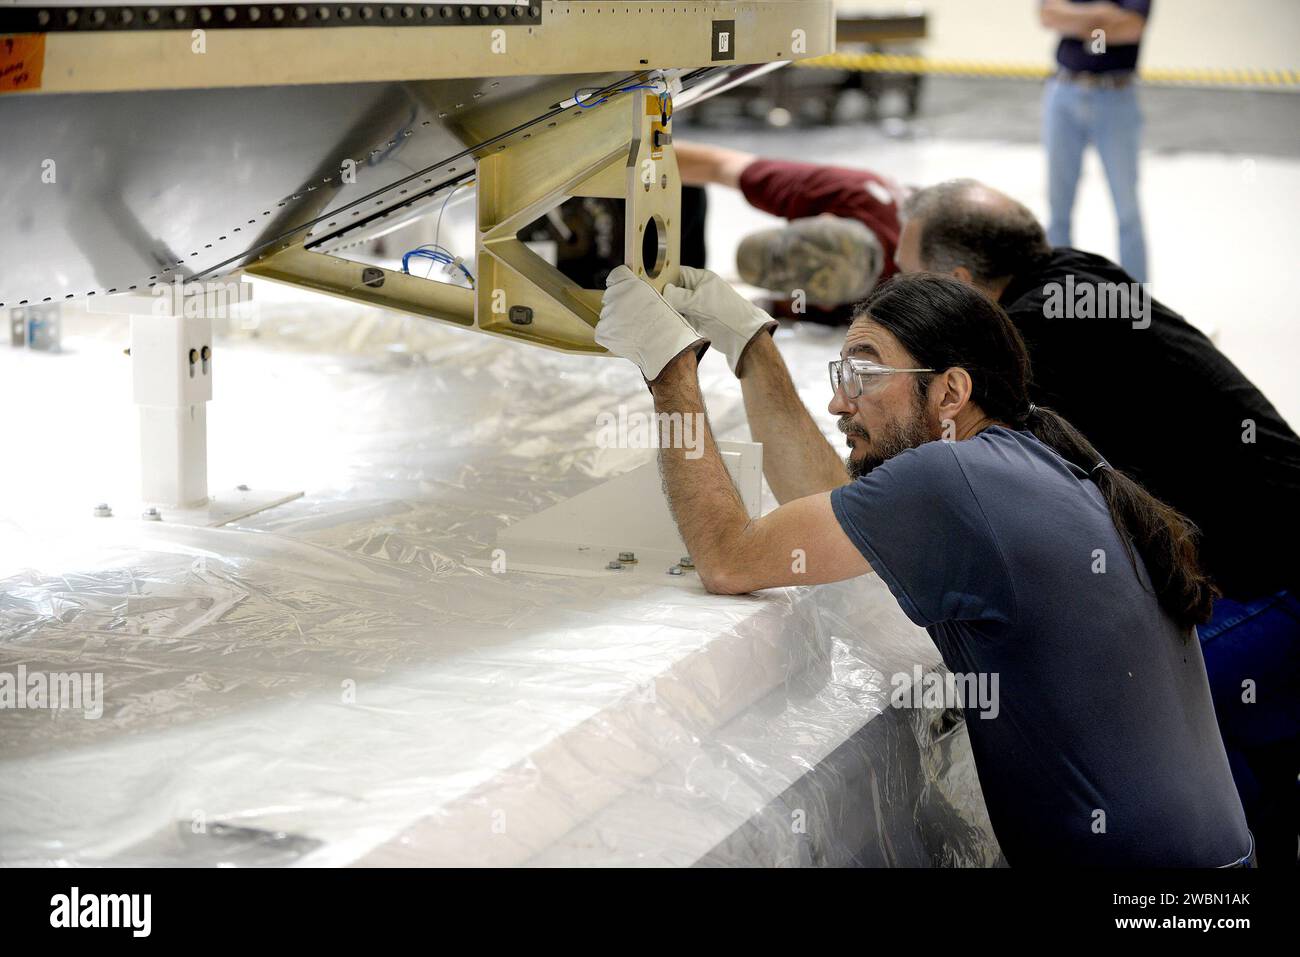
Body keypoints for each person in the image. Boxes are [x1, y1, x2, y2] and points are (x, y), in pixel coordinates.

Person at [595, 266, 1253, 866]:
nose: (839, 403)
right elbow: (828, 512)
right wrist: (753, 348)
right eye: (841, 375)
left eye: (865, 373)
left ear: (950, 391)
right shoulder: (1029, 463)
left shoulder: (952, 481)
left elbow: (728, 558)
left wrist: (670, 374)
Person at [894, 178, 1300, 866]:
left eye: (906, 278)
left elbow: (938, 469)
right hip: (1263, 563)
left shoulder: (1036, 335)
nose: (899, 295)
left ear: (960, 284)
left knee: (1153, 720)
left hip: (1280, 584)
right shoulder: (1074, 280)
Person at [674, 140, 906, 322]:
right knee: (685, 188)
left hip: (884, 300)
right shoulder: (844, 192)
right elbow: (717, 164)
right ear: (824, 216)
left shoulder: (901, 309)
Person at [1039, 0, 1152, 281]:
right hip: (1064, 92)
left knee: (1127, 209)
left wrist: (1077, 20)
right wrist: (1101, 15)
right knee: (1058, 206)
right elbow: (1049, 16)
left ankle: (1138, 301)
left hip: (1115, 97)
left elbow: (1131, 28)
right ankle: (1054, 294)